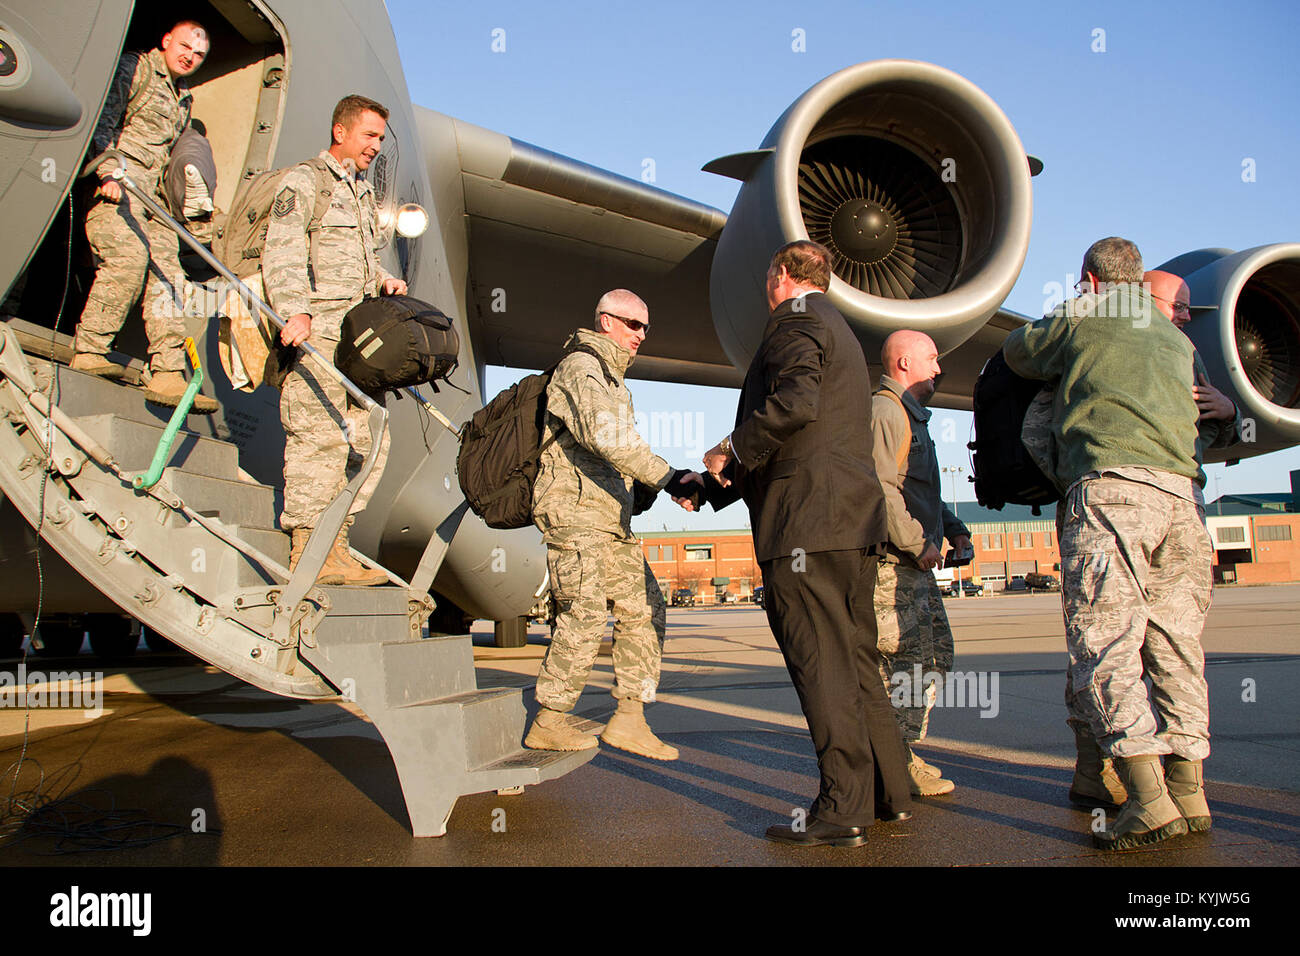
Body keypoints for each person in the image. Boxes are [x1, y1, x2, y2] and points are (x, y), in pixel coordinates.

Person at [1003, 237, 1220, 850]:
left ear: (1091, 279)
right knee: (1177, 646)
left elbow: (1019, 352)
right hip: (1183, 502)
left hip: (1114, 494)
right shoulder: (1177, 339)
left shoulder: (1087, 313)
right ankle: (1189, 790)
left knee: (1107, 645)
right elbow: (1204, 408)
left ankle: (1146, 798)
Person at [701, 240, 912, 847]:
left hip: (806, 529)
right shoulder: (836, 326)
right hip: (847, 523)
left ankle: (842, 807)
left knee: (820, 661)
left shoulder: (793, 322)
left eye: (767, 274)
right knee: (855, 659)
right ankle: (886, 794)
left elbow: (793, 403)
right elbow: (808, 434)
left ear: (781, 275)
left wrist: (732, 451)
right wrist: (716, 484)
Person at [522, 289, 704, 760]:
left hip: (609, 518)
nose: (640, 335)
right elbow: (605, 436)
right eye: (631, 324)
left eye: (645, 327)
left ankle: (629, 718)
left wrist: (646, 487)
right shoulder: (581, 367)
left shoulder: (613, 378)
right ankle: (550, 720)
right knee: (582, 615)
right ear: (605, 321)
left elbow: (612, 452)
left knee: (644, 608)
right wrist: (666, 477)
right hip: (576, 516)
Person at [262, 94, 405, 587]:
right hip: (317, 332)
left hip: (358, 340)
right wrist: (293, 310)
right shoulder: (305, 182)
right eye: (370, 135)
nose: (376, 146)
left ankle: (335, 543)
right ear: (340, 131)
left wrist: (384, 278)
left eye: (381, 138)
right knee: (319, 439)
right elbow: (282, 248)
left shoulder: (362, 194)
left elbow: (355, 259)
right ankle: (309, 546)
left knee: (372, 442)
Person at [72, 20, 218, 413]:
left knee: (169, 275)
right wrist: (106, 169)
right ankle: (90, 346)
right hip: (117, 181)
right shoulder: (134, 68)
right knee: (129, 260)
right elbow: (103, 120)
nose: (190, 57)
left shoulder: (184, 97)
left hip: (150, 194)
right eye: (185, 47)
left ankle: (168, 372)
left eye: (200, 55)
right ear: (166, 41)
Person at [871, 330, 971, 797]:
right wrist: (917, 541)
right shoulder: (886, 412)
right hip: (894, 564)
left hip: (916, 563)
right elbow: (880, 488)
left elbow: (920, 490)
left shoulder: (913, 417)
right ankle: (894, 760)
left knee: (934, 656)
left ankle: (899, 751)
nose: (938, 367)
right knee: (905, 661)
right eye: (932, 359)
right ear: (904, 363)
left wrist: (954, 530)